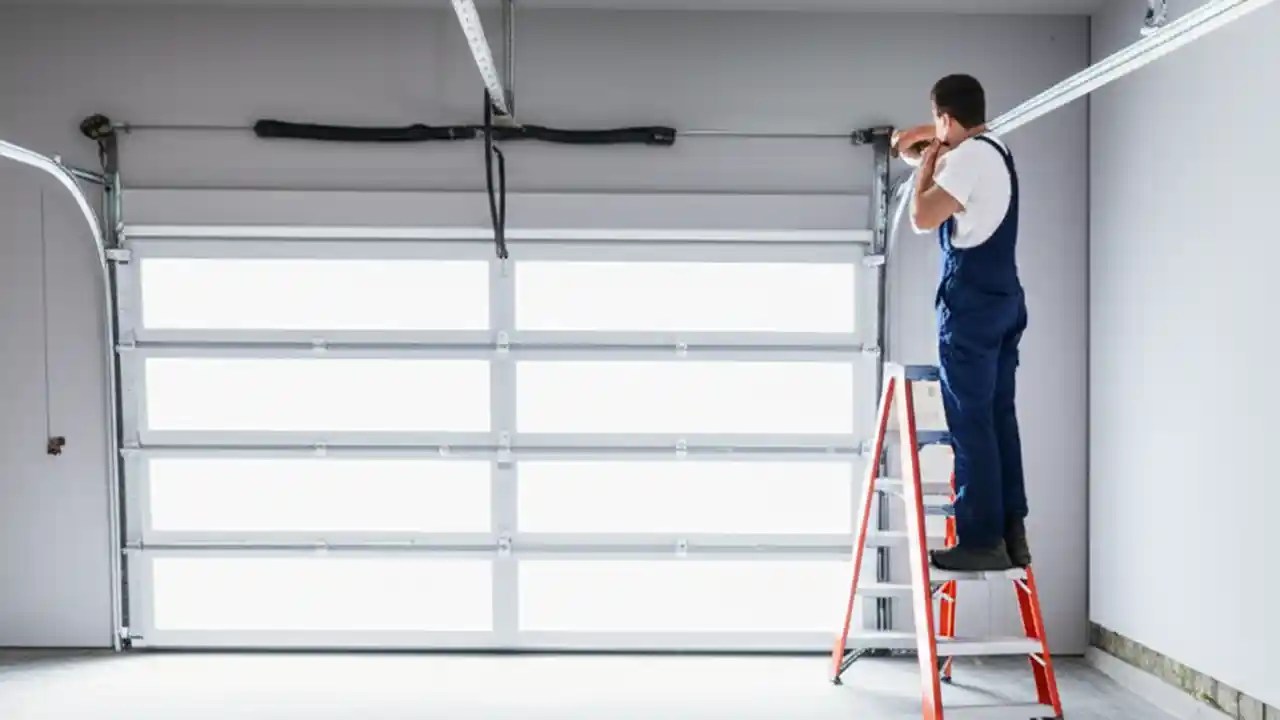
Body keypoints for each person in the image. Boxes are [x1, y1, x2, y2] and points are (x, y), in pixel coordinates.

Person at [893, 74, 1030, 572]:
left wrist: (924, 171)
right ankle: (1012, 531)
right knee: (997, 417)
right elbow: (914, 144)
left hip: (970, 305)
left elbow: (923, 218)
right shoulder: (996, 149)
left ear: (947, 119)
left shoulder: (967, 159)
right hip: (1005, 300)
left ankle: (979, 539)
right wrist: (924, 145)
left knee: (969, 423)